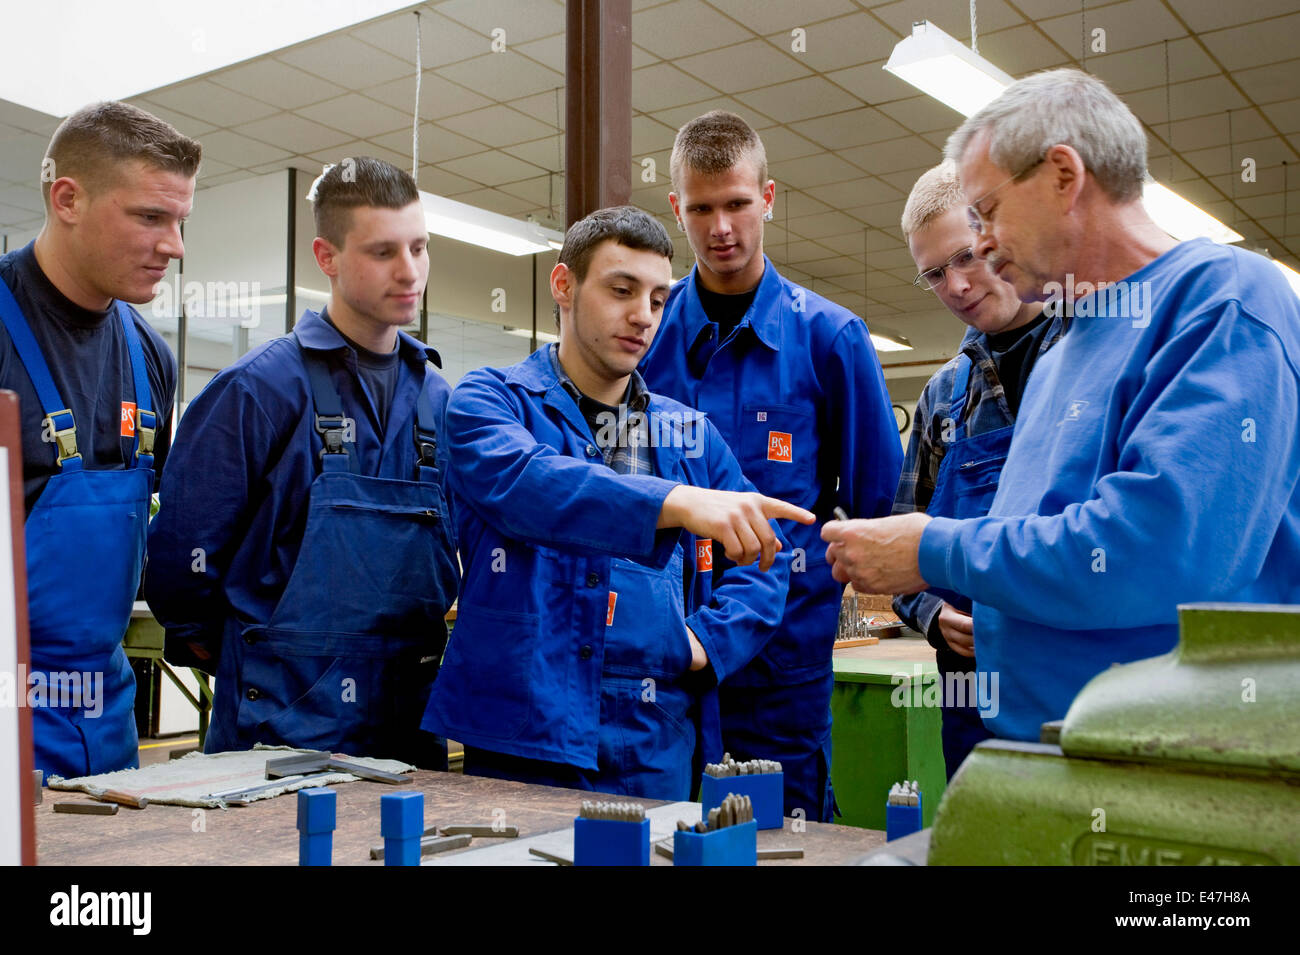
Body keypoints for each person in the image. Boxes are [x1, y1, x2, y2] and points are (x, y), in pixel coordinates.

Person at [824, 69, 1300, 742]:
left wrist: (934, 547)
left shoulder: (1222, 304)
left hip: (1177, 761)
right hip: (1040, 746)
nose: (981, 246)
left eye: (986, 213)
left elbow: (1153, 551)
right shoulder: (1062, 349)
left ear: (1063, 177)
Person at [421, 205, 814, 801]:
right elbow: (532, 485)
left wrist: (703, 643)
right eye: (621, 291)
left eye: (658, 300)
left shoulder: (689, 434)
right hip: (521, 729)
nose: (642, 317)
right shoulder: (490, 402)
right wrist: (674, 502)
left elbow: (767, 558)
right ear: (563, 286)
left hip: (651, 730)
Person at [146, 157, 458, 767]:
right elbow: (183, 563)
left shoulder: (441, 400)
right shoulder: (259, 390)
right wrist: (248, 649)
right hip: (281, 725)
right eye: (383, 252)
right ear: (327, 257)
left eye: (420, 248)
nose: (410, 271)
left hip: (409, 724)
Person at [639, 111, 901, 820]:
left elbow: (874, 505)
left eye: (737, 204)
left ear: (769, 199)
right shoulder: (646, 339)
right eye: (701, 208)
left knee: (781, 835)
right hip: (662, 657)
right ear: (676, 209)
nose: (721, 227)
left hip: (783, 665)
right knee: (665, 830)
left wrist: (808, 588)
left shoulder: (830, 339)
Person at [0, 102, 192, 779]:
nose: (174, 245)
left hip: (107, 727)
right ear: (68, 198)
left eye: (180, 221)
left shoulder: (150, 357)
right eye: (149, 217)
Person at [891, 160, 1063, 778]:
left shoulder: (1089, 353)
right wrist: (933, 616)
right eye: (934, 273)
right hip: (973, 699)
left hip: (1081, 682)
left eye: (965, 257)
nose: (956, 285)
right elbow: (901, 546)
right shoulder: (944, 397)